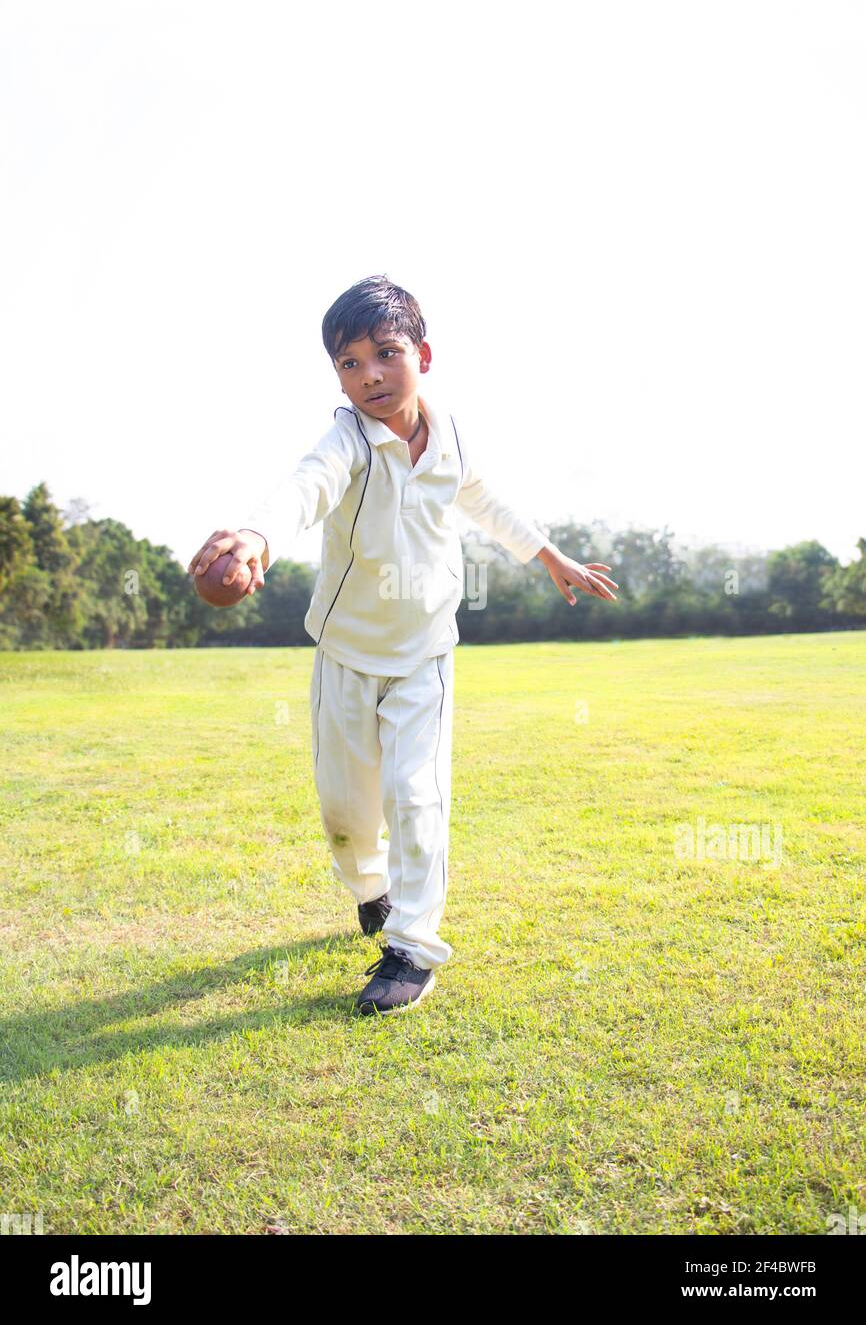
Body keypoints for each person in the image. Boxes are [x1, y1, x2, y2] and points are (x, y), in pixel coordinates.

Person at [188, 275, 617, 1015]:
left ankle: (413, 950)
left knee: (419, 797)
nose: (370, 376)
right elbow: (304, 488)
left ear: (423, 352)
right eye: (349, 364)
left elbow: (485, 498)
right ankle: (371, 893)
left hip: (425, 654)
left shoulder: (450, 434)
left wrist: (550, 556)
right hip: (345, 653)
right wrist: (256, 538)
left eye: (385, 354)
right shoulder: (347, 439)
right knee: (347, 815)